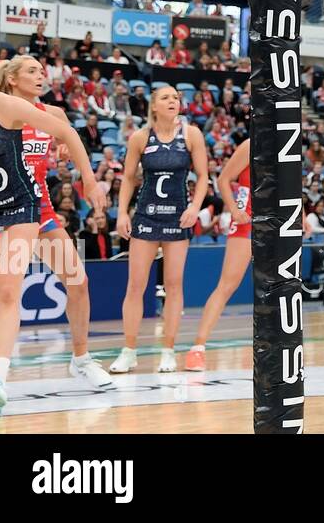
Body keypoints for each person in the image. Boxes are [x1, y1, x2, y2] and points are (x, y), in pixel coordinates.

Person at [0, 57, 107, 413]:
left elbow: (65, 138)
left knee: (77, 281)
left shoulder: (50, 113)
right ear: (12, 77)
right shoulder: (2, 106)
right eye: (33, 71)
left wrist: (84, 174)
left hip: (34, 208)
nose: (42, 76)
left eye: (43, 71)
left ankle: (81, 359)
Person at [108, 87, 209, 375]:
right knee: (135, 286)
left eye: (176, 98)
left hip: (179, 217)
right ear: (153, 106)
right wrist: (122, 213)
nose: (172, 101)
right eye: (166, 98)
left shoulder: (191, 135)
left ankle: (168, 350)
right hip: (146, 217)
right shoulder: (140, 137)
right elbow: (128, 178)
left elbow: (203, 177)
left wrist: (195, 207)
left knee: (174, 285)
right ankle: (129, 351)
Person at [185, 139, 252, 371]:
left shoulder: (288, 141)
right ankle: (198, 348)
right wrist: (235, 210)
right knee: (227, 285)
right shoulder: (252, 145)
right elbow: (224, 179)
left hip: (277, 223)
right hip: (248, 220)